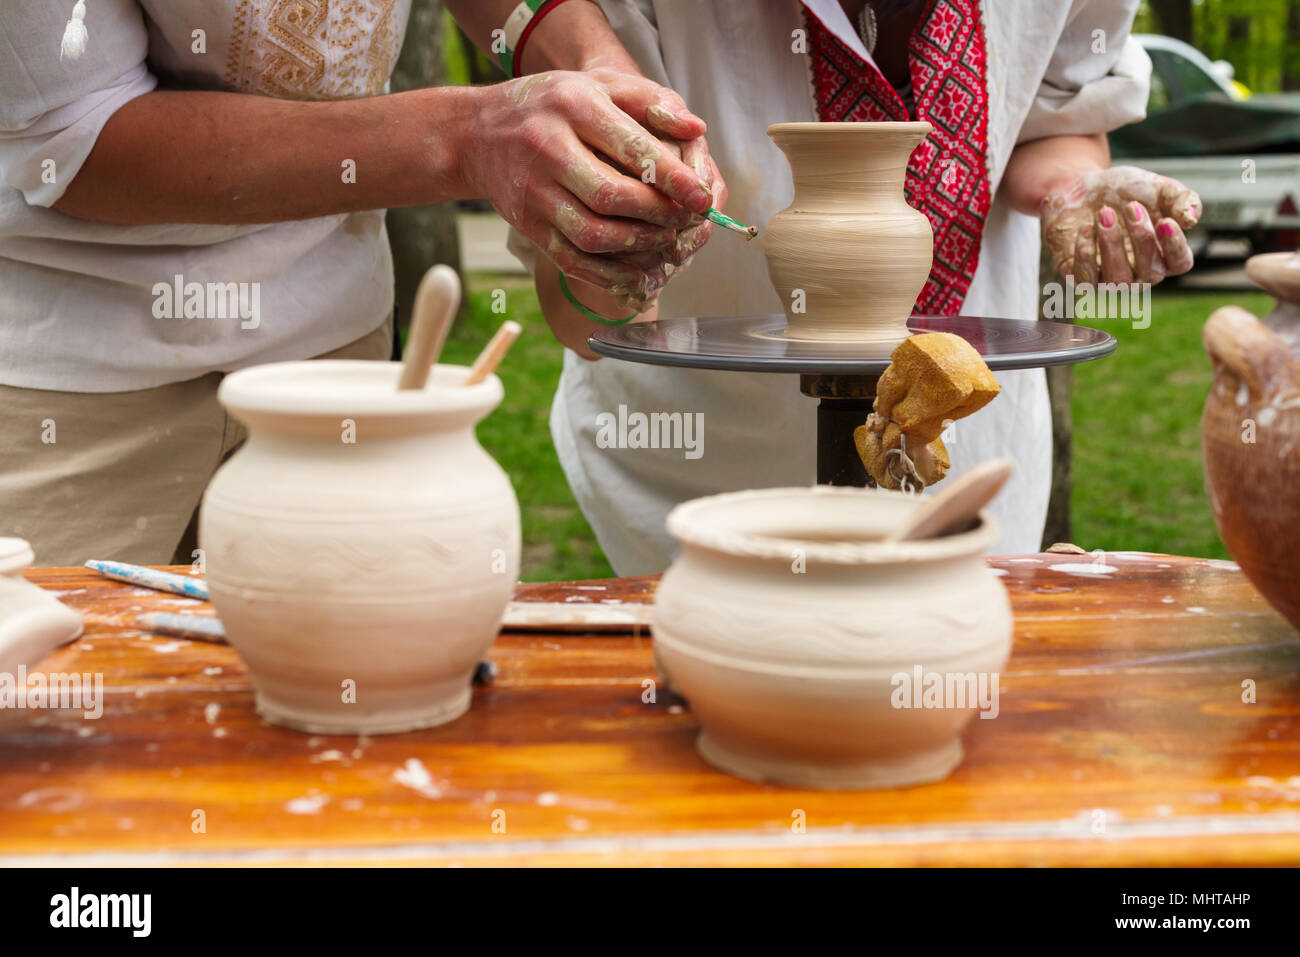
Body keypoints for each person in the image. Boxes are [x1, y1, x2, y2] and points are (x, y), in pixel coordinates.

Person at [471, 0, 1202, 573]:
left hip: (971, 450)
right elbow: (575, 323)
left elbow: (1053, 118)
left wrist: (1077, 189)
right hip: (704, 461)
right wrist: (615, 250)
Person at [0, 0, 713, 564]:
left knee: (340, 705)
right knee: (68, 717)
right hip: (70, 376)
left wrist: (600, 64)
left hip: (331, 330)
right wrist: (467, 138)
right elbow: (73, 142)